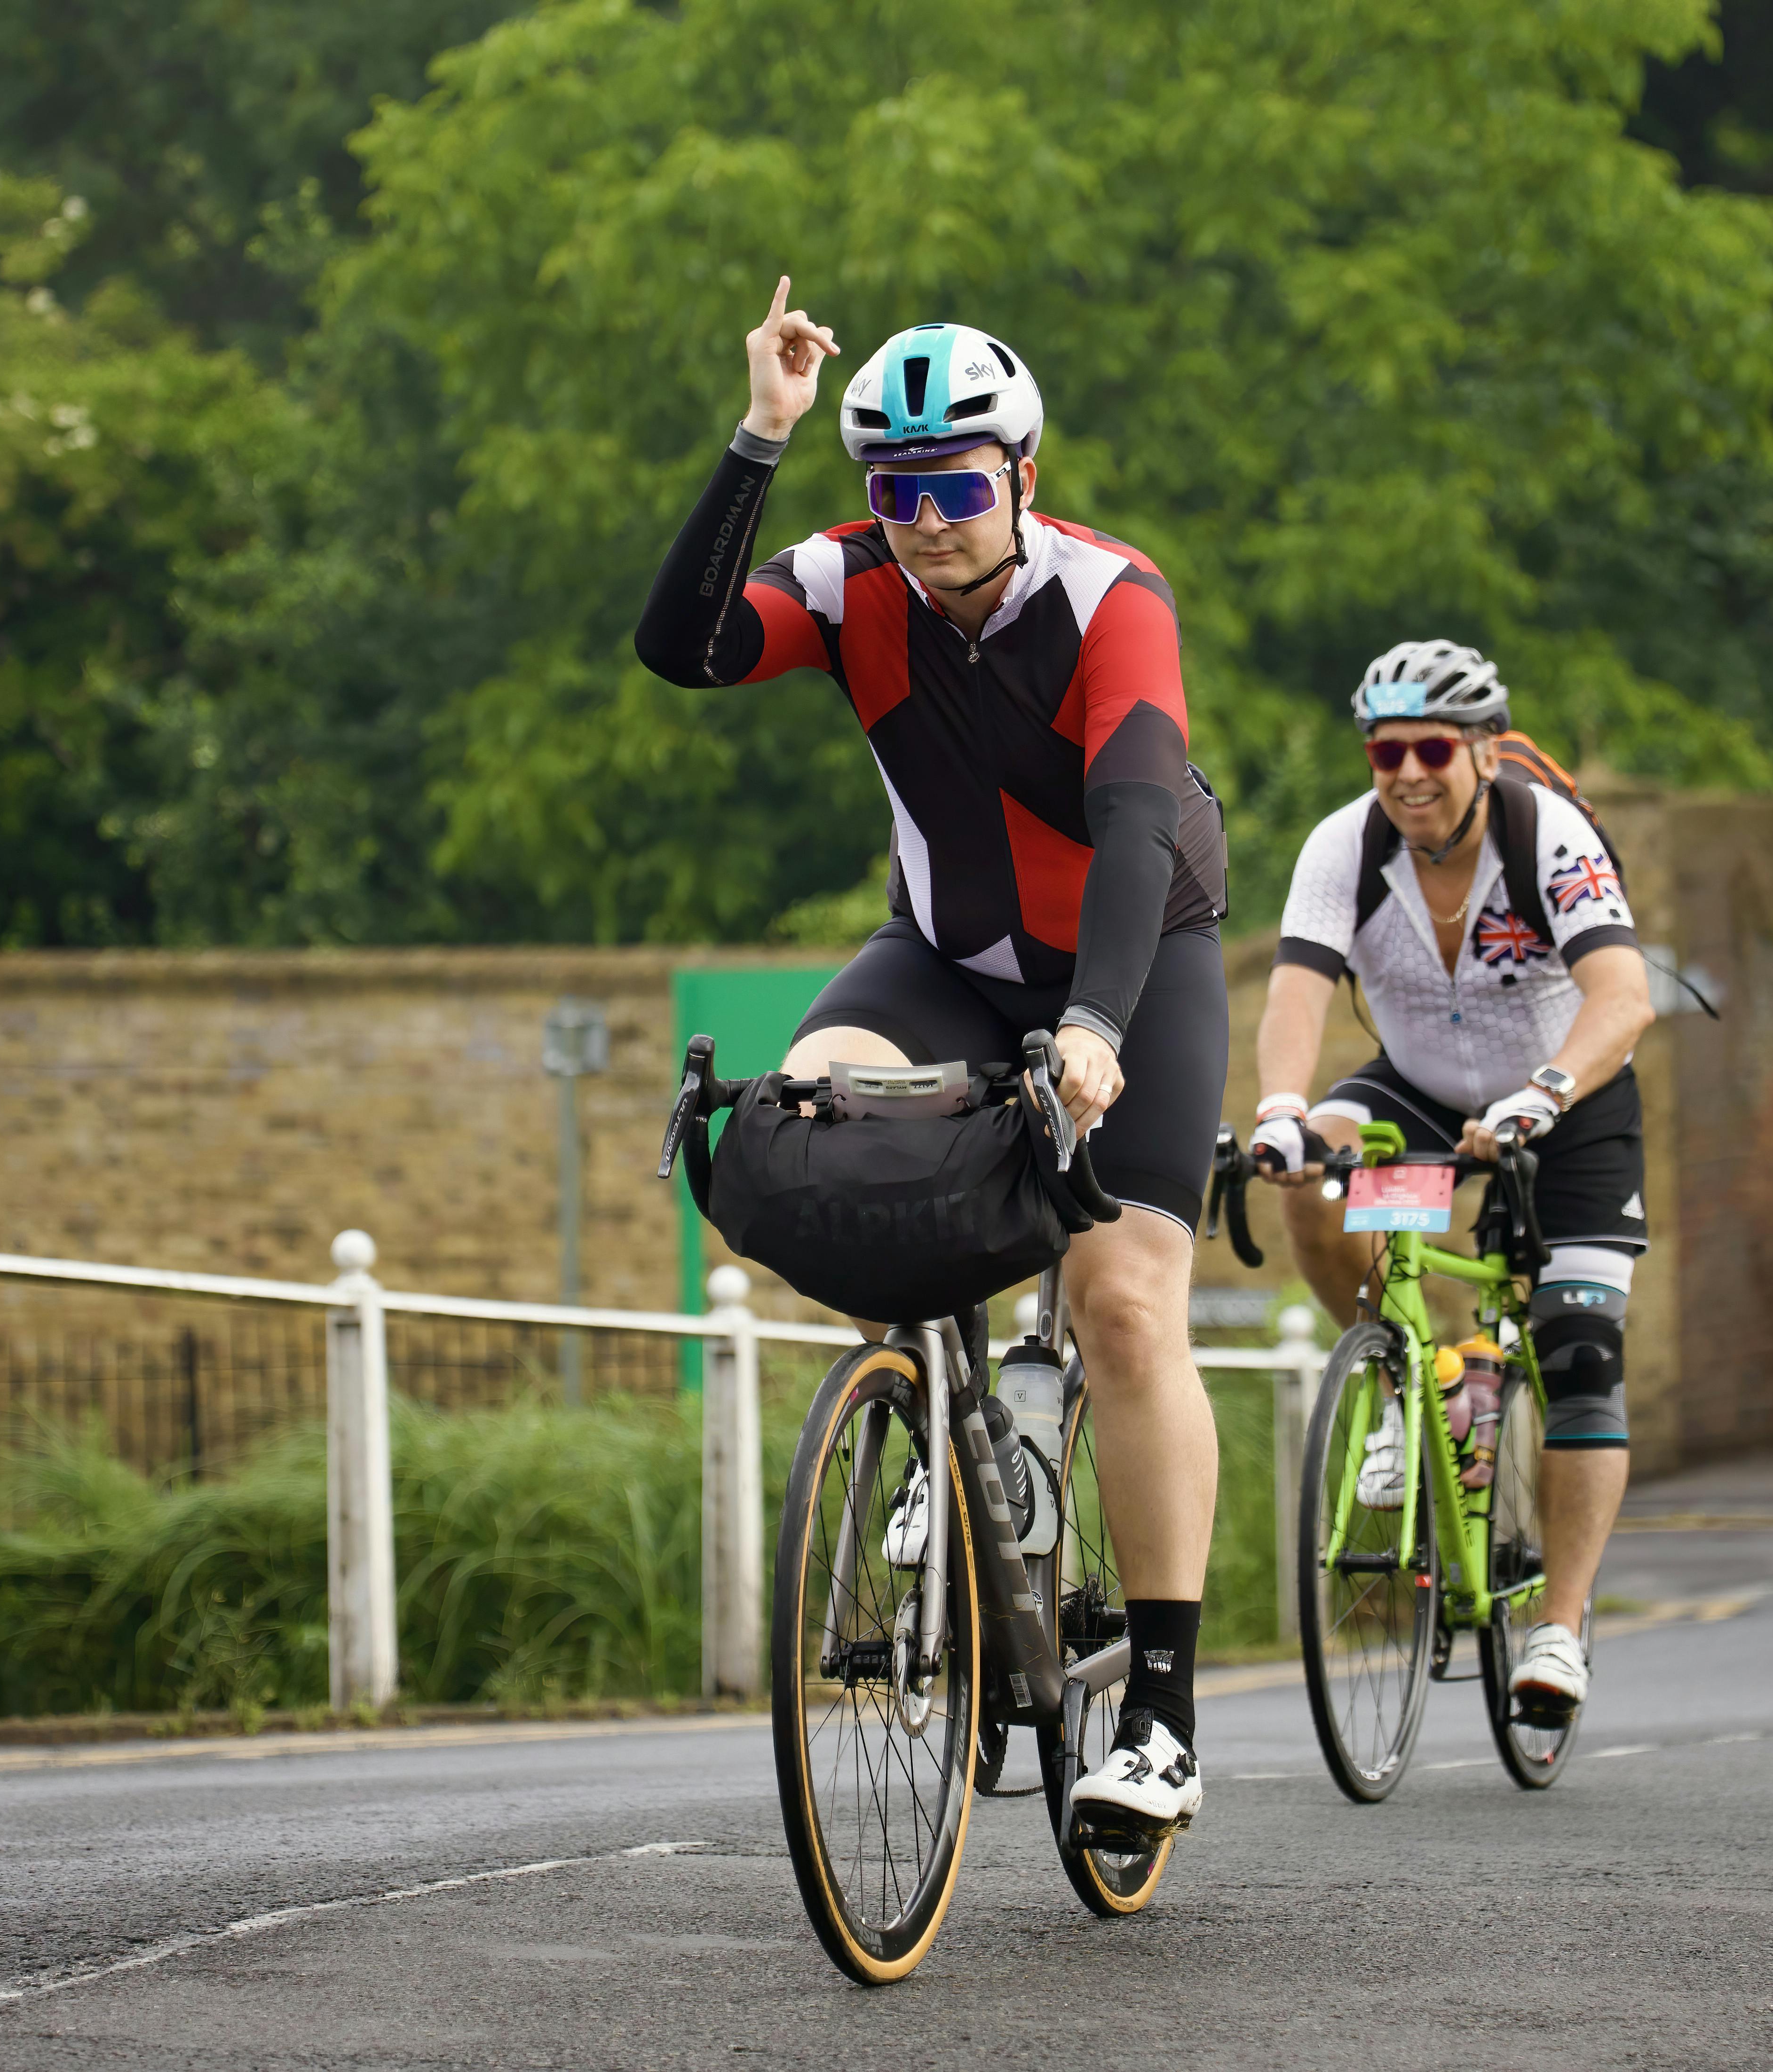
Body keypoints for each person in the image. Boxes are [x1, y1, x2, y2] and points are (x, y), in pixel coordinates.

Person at [638, 281, 1229, 1833]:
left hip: (1133, 955)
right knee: (813, 1118)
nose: (923, 520)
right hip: (948, 956)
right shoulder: (844, 585)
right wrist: (759, 435)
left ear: (1021, 479)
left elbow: (1127, 823)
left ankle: (1160, 1711)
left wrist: (1094, 1025)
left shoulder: (1112, 598)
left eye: (956, 487)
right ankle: (947, 1415)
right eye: (893, 491)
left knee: (1118, 1294)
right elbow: (681, 648)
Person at [1251, 640, 1655, 1715]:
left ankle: (1558, 1629)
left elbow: (1621, 995)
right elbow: (1295, 994)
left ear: (1481, 750)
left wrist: (1549, 1088)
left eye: (1431, 746)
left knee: (1576, 1344)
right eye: (1386, 749)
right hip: (1421, 1091)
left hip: (1564, 1100)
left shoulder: (1545, 834)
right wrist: (1282, 1110)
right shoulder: (1343, 845)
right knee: (1311, 1172)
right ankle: (1415, 1376)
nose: (1407, 771)